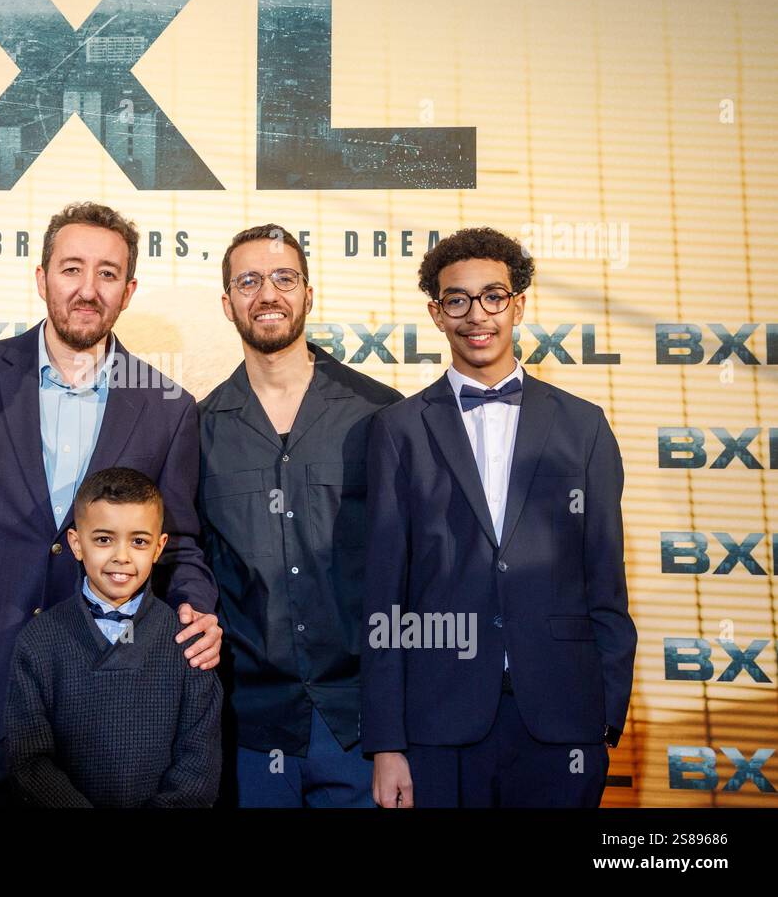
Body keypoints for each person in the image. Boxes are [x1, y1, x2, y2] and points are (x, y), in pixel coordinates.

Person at [0, 201, 221, 805]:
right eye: (71, 269)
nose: (88, 290)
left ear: (129, 290)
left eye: (108, 273)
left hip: (107, 695)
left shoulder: (167, 405)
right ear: (41, 278)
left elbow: (181, 540)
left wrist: (195, 616)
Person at [362, 226, 636, 807]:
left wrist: (605, 716)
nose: (476, 315)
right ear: (437, 314)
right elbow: (384, 594)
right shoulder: (398, 430)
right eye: (456, 300)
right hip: (437, 723)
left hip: (564, 717)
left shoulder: (583, 426)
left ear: (518, 304)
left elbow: (605, 583)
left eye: (493, 296)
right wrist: (386, 743)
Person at [198, 224, 402, 807]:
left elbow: (410, 573)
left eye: (285, 278)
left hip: (362, 727)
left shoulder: (380, 415)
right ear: (227, 302)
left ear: (309, 294)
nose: (268, 294)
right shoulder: (201, 428)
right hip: (250, 730)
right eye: (250, 281)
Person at [5, 467, 222, 807]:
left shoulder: (189, 643)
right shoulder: (39, 641)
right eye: (104, 539)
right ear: (76, 544)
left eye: (139, 541)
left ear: (159, 547)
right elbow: (30, 761)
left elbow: (198, 767)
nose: (121, 556)